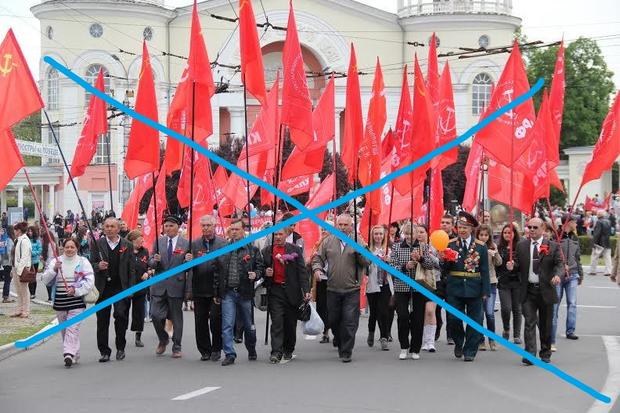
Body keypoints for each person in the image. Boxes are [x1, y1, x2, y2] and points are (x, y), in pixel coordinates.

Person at [311, 214, 370, 363]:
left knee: (350, 320)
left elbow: (367, 261)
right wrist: (317, 269)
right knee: (334, 319)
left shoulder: (359, 241)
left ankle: (346, 351)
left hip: (352, 288)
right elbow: (317, 258)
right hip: (332, 288)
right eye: (340, 225)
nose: (342, 228)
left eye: (346, 225)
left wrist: (360, 253)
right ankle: (338, 337)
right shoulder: (328, 241)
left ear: (351, 226)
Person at [440, 211, 490, 362]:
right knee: (454, 319)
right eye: (460, 226)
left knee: (475, 320)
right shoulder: (450, 244)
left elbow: (485, 270)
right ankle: (459, 342)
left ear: (472, 229)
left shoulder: (481, 247)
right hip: (455, 287)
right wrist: (446, 259)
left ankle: (470, 350)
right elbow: (445, 269)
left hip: (475, 287)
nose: (462, 230)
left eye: (465, 227)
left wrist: (485, 290)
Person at [214, 218, 264, 366]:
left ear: (243, 231)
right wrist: (217, 293)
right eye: (232, 229)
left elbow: (260, 267)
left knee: (249, 325)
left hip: (245, 292)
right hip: (228, 292)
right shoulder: (224, 249)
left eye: (237, 229)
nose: (234, 232)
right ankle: (229, 353)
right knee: (227, 324)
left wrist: (256, 274)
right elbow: (218, 272)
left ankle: (251, 348)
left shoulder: (252, 250)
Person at [513, 218, 562, 365]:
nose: (532, 230)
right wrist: (512, 265)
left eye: (535, 227)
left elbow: (559, 264)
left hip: (546, 290)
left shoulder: (552, 246)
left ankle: (545, 352)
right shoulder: (521, 245)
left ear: (543, 228)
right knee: (529, 322)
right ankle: (530, 354)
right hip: (528, 290)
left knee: (546, 324)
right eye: (529, 227)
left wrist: (557, 275)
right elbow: (517, 264)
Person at [41, 238, 95, 367]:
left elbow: (89, 281)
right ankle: (74, 353)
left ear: (77, 248)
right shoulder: (56, 261)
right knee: (66, 330)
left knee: (72, 327)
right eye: (67, 247)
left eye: (72, 247)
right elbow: (45, 280)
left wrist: (76, 290)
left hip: (77, 302)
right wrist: (54, 269)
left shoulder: (83, 262)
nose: (69, 249)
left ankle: (68, 353)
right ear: (63, 248)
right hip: (60, 302)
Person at [262, 226, 310, 363]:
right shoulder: (267, 251)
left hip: (292, 291)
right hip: (275, 290)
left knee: (290, 323)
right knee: (276, 321)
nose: (277, 237)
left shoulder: (294, 250)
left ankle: (288, 348)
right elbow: (261, 269)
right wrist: (266, 272)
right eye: (275, 234)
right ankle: (276, 351)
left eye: (280, 234)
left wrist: (306, 290)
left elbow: (302, 272)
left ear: (286, 234)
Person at [91, 217, 135, 362]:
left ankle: (120, 347)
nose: (109, 229)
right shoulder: (97, 244)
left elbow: (131, 269)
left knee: (120, 316)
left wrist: (131, 289)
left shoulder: (127, 244)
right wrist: (98, 266)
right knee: (102, 321)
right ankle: (104, 351)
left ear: (118, 229)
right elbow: (90, 264)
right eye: (106, 226)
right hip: (103, 289)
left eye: (112, 226)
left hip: (121, 288)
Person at [149, 215, 192, 358]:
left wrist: (188, 260)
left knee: (176, 317)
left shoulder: (185, 243)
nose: (168, 228)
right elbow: (150, 262)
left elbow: (189, 266)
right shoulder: (158, 241)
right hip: (159, 285)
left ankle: (177, 346)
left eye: (171, 225)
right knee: (155, 315)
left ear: (178, 227)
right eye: (166, 226)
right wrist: (155, 261)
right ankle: (163, 339)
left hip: (176, 285)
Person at [188, 215, 226, 361]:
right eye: (203, 226)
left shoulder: (222, 243)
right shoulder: (195, 244)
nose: (205, 228)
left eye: (208, 225)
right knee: (200, 321)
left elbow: (224, 266)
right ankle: (205, 350)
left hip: (215, 288)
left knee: (216, 320)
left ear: (214, 226)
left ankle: (217, 348)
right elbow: (189, 268)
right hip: (199, 288)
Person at [551, 215, 583, 350]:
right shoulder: (556, 236)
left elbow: (578, 257)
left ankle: (570, 330)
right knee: (555, 305)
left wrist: (580, 273)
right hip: (559, 275)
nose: (577, 224)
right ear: (569, 222)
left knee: (572, 303)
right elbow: (552, 255)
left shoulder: (575, 238)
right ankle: (551, 334)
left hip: (573, 274)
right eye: (575, 221)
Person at [411, 224, 441, 356]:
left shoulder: (432, 247)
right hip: (417, 283)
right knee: (419, 313)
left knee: (430, 310)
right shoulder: (412, 247)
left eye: (422, 232)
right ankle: (422, 340)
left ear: (427, 233)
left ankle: (430, 341)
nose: (419, 234)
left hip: (432, 282)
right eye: (417, 232)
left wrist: (429, 256)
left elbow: (438, 264)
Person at [388, 222, 416, 360]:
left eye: (412, 233)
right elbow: (392, 266)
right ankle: (404, 346)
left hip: (418, 287)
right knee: (403, 317)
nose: (410, 236)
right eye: (407, 233)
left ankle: (415, 347)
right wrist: (405, 266)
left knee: (416, 319)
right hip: (401, 287)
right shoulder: (397, 246)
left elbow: (431, 265)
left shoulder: (423, 246)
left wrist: (420, 259)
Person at [365, 225, 393, 351]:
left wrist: (389, 262)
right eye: (376, 234)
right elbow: (364, 267)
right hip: (372, 284)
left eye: (380, 234)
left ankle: (384, 337)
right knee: (374, 312)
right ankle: (371, 332)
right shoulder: (368, 249)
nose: (378, 236)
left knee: (384, 311)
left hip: (385, 284)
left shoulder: (388, 250)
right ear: (372, 236)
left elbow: (394, 268)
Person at [476, 224, 502, 351]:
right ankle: (480, 340)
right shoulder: (474, 246)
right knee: (479, 313)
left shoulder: (493, 246)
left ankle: (491, 339)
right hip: (477, 283)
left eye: (486, 235)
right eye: (481, 235)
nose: (483, 237)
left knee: (490, 313)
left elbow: (499, 263)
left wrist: (494, 254)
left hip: (491, 282)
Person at [496, 224, 522, 344]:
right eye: (505, 232)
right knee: (506, 308)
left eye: (510, 232)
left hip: (517, 282)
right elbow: (496, 264)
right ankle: (506, 328)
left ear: (514, 234)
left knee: (517, 309)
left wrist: (514, 264)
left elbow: (522, 263)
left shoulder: (520, 247)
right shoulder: (498, 247)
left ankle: (517, 334)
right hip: (504, 282)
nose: (507, 234)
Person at [127, 230, 150, 348]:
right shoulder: (125, 251)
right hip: (127, 287)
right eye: (138, 241)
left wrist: (148, 272)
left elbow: (149, 266)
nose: (140, 243)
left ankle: (138, 337)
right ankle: (121, 335)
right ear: (132, 241)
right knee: (123, 312)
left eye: (142, 241)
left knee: (139, 313)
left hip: (141, 286)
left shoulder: (145, 251)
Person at [311, 223, 333, 344]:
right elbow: (312, 260)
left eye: (327, 229)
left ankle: (333, 330)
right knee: (321, 306)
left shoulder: (336, 242)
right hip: (321, 279)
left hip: (334, 279)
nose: (325, 231)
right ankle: (325, 332)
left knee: (332, 306)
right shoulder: (317, 243)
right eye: (323, 229)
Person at [10, 222, 32, 318]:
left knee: (24, 290)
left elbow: (24, 257)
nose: (14, 231)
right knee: (18, 290)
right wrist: (13, 269)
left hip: (22, 268)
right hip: (16, 267)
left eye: (15, 229)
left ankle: (26, 310)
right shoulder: (17, 240)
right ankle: (19, 309)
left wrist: (19, 270)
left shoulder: (24, 240)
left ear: (18, 230)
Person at [590, 210, 612, 276]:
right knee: (607, 257)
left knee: (594, 256)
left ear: (598, 215)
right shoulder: (608, 221)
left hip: (599, 242)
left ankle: (593, 270)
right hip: (607, 241)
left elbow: (597, 234)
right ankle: (608, 271)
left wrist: (594, 242)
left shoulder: (598, 222)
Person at [27, 226, 42, 300]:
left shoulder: (37, 241)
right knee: (29, 278)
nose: (30, 233)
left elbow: (39, 251)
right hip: (27, 262)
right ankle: (30, 293)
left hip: (35, 261)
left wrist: (32, 253)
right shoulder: (26, 240)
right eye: (28, 231)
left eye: (31, 231)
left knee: (33, 277)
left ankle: (33, 293)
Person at [1, 226, 14, 303]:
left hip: (5, 261)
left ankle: (6, 296)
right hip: (8, 263)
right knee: (8, 280)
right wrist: (12, 263)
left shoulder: (5, 239)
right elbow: (9, 252)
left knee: (7, 280)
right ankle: (6, 297)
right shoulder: (9, 240)